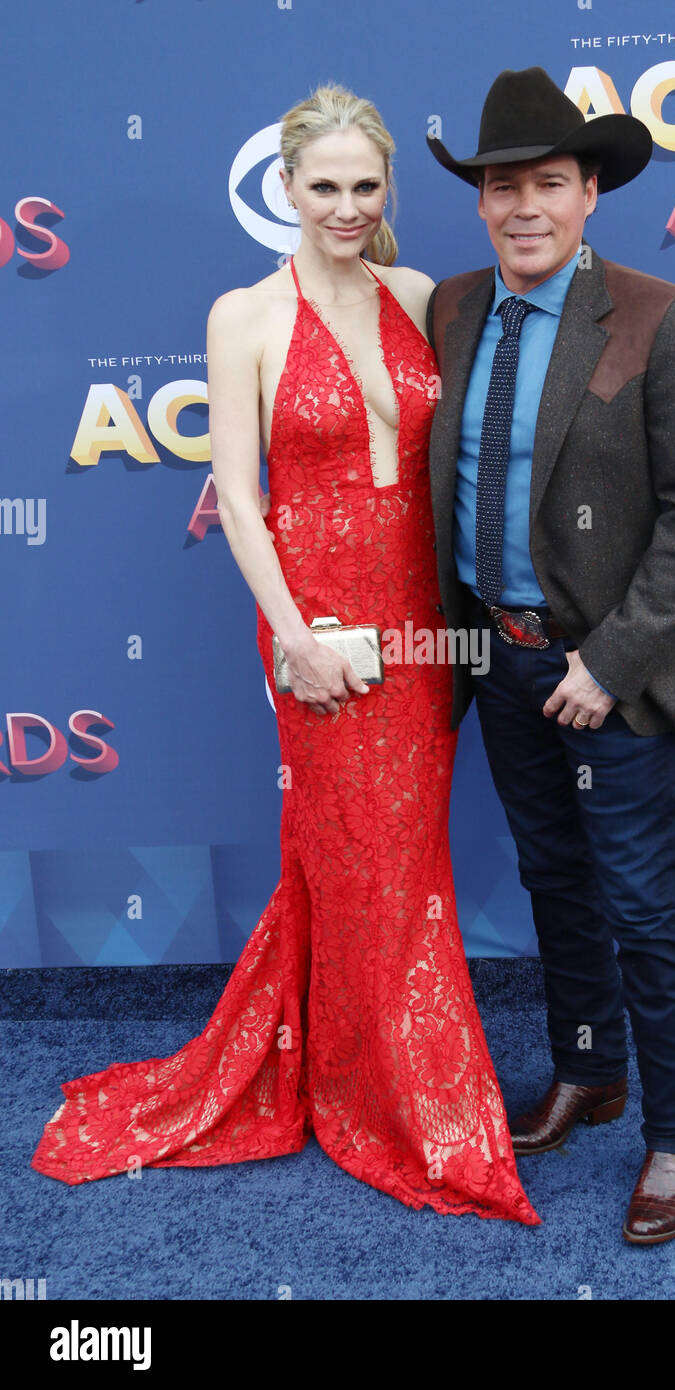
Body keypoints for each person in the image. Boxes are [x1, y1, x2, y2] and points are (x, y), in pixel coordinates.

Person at [30, 83, 540, 1228]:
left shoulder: (421, 295)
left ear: (388, 191)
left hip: (421, 622)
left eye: (368, 187)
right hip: (316, 624)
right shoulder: (244, 314)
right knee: (366, 852)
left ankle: (348, 1071)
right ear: (287, 187)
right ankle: (411, 1110)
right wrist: (297, 638)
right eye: (327, 186)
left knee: (389, 861)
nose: (348, 206)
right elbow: (242, 501)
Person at [424, 66, 675, 1243]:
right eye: (503, 186)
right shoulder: (452, 308)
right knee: (554, 884)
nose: (524, 207)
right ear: (484, 198)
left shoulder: (661, 315)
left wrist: (606, 662)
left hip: (611, 674)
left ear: (589, 189)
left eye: (547, 183)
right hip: (499, 661)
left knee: (639, 910)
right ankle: (590, 1072)